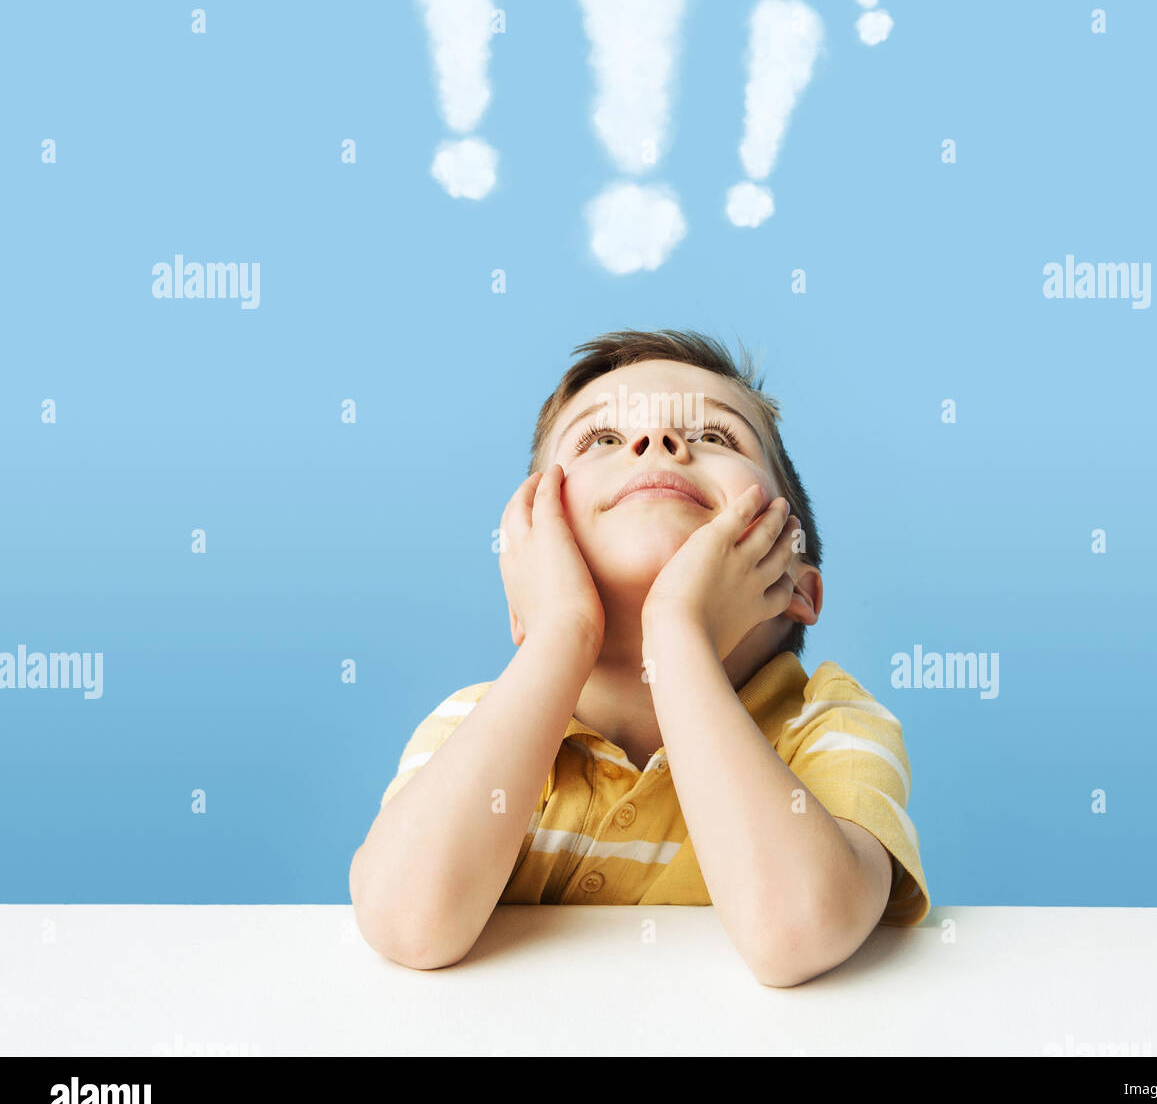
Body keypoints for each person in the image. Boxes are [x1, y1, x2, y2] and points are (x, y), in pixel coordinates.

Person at [350, 328, 930, 986]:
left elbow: (797, 929)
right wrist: (561, 631)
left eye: (717, 436)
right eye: (601, 440)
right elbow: (406, 923)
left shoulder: (830, 723)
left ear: (796, 583)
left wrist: (678, 634)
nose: (656, 443)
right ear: (527, 571)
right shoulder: (473, 724)